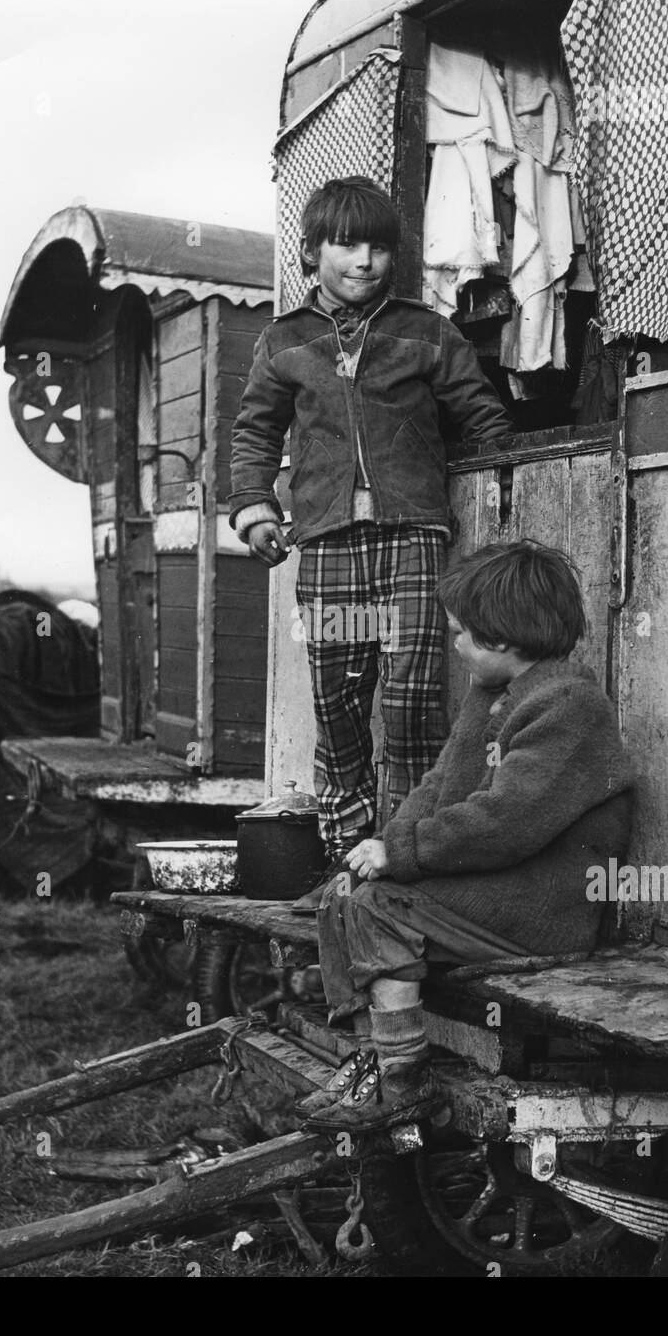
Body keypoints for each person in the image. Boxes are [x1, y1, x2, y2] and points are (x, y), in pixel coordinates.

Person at [229, 176, 518, 894]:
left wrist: (499, 495)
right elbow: (253, 433)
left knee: (413, 693)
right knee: (338, 693)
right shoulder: (285, 340)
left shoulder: (424, 331)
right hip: (327, 542)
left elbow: (481, 413)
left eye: (379, 247)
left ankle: (404, 845)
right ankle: (343, 845)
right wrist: (253, 509)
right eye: (345, 244)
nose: (363, 261)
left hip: (411, 537)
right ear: (311, 253)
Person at [297, 539, 635, 1133]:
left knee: (380, 910)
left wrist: (403, 855)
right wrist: (385, 847)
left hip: (541, 907)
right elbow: (439, 786)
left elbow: (506, 822)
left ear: (503, 640)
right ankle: (372, 1060)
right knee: (345, 898)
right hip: (497, 891)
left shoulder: (569, 705)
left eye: (462, 635)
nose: (454, 648)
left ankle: (402, 1078)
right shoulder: (493, 695)